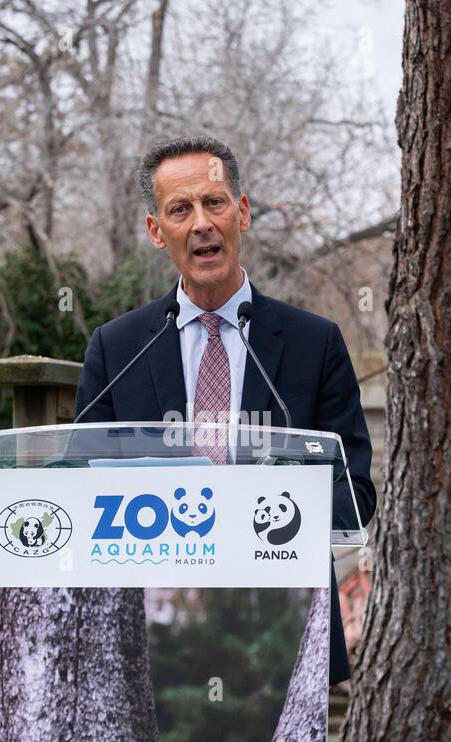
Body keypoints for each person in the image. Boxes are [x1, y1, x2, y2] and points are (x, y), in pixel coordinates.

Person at [74, 134, 375, 684]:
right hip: (152, 631)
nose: (201, 223)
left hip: (280, 624)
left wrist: (256, 519)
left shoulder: (315, 344)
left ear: (242, 213)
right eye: (179, 210)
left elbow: (353, 489)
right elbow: (79, 480)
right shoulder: (116, 348)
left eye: (214, 203)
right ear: (156, 232)